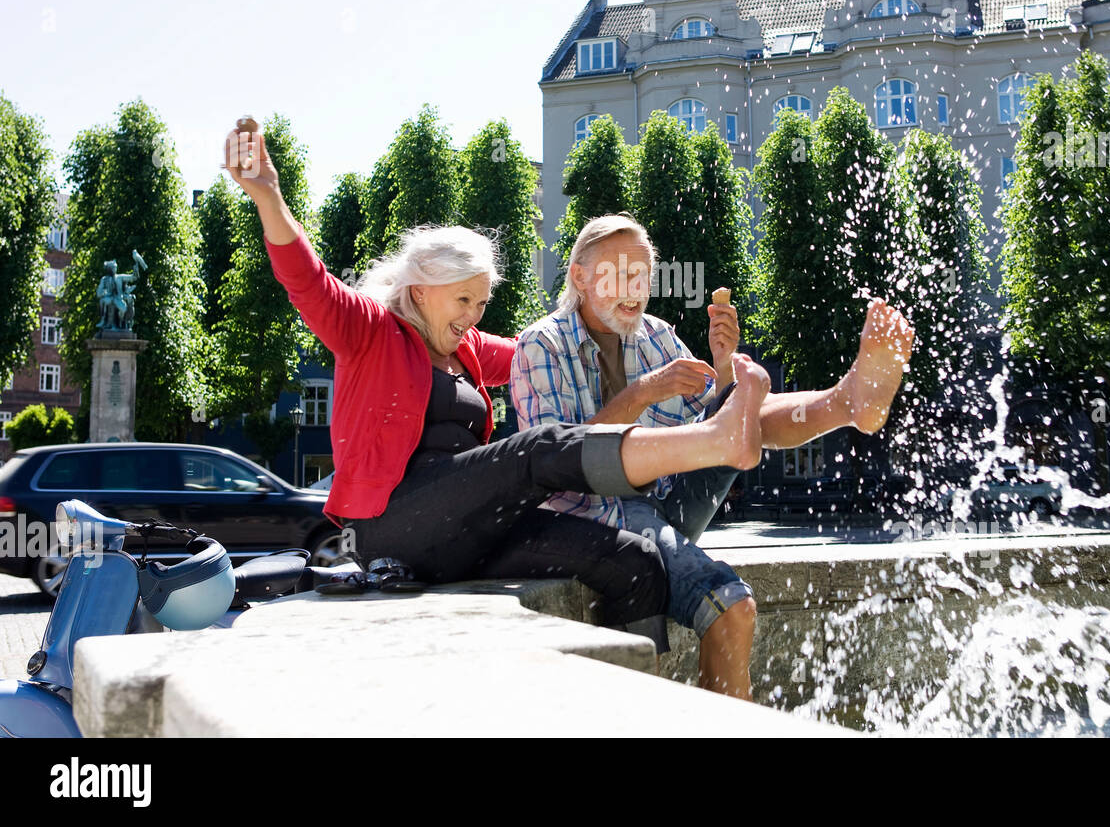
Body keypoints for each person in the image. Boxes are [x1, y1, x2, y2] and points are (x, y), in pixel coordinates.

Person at [223, 123, 774, 649]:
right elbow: (308, 282)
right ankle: (712, 441)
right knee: (535, 448)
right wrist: (268, 195)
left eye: (481, 303)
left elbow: (549, 351)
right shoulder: (370, 332)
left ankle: (637, 696)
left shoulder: (467, 348)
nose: (472, 315)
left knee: (633, 559)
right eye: (463, 300)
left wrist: (681, 353)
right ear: (421, 291)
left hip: (471, 528)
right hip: (395, 525)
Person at [511, 213, 915, 698]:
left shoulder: (657, 336)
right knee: (733, 607)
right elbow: (555, 464)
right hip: (595, 517)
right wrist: (641, 393)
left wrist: (724, 372)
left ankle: (846, 402)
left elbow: (718, 416)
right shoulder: (541, 344)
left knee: (738, 412)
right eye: (619, 275)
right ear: (579, 277)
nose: (634, 289)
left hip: (669, 500)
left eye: (642, 275)